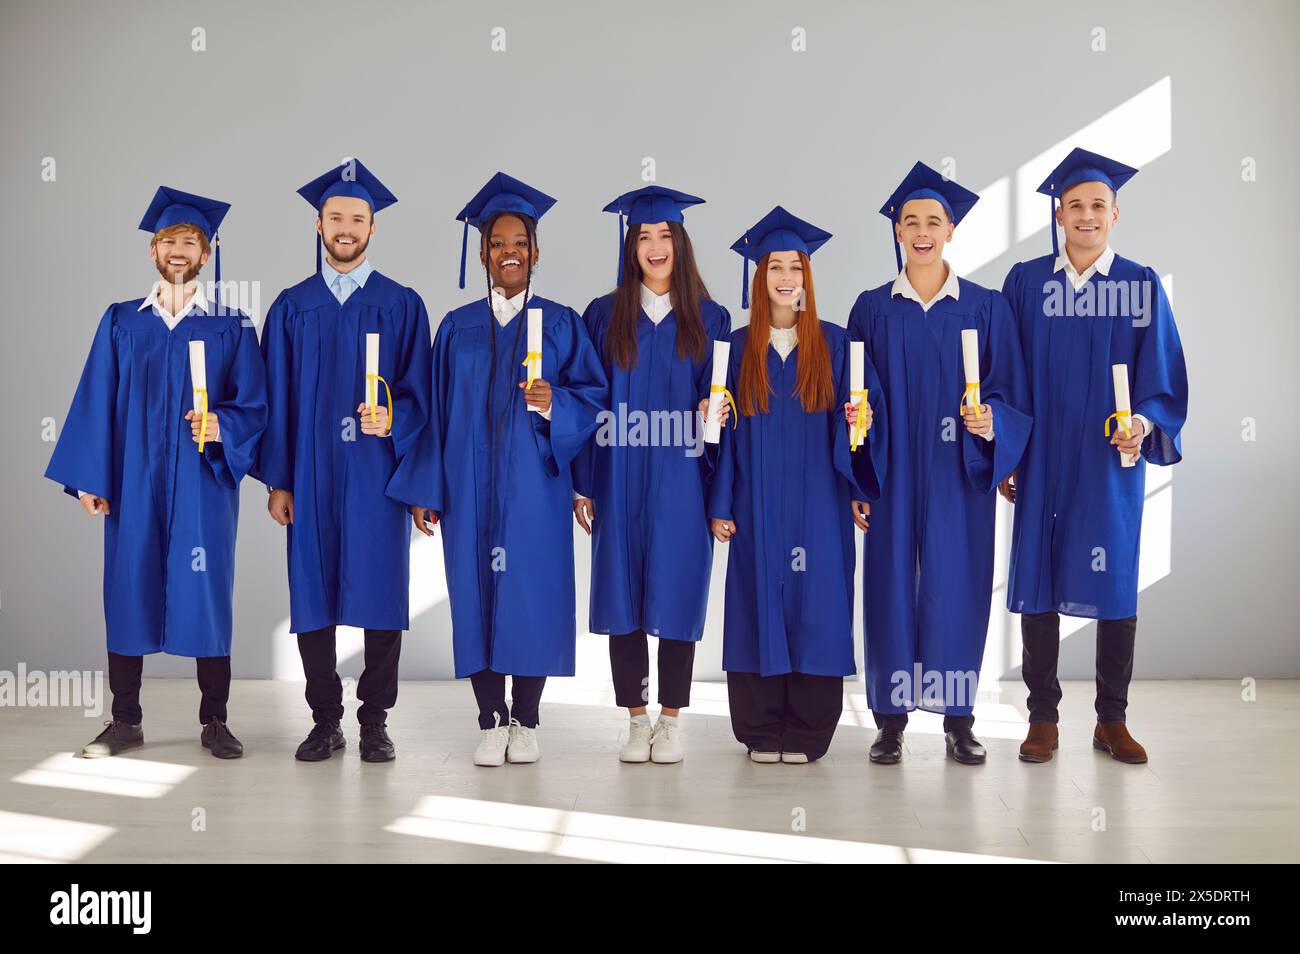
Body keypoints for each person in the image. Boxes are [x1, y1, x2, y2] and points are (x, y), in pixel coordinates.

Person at [394, 172, 608, 767]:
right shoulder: (455, 327)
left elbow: (593, 400)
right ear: (483, 253)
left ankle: (528, 718)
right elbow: (433, 414)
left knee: (532, 593)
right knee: (474, 591)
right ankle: (490, 719)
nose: (509, 251)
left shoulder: (563, 322)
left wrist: (556, 404)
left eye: (520, 241)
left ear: (536, 251)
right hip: (466, 487)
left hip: (536, 487)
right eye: (496, 243)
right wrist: (425, 491)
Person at [45, 186, 267, 759]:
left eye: (190, 241)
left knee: (208, 594)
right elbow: (96, 399)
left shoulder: (231, 324)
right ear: (153, 251)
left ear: (206, 253)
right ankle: (125, 720)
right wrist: (92, 478)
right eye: (169, 240)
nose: (178, 250)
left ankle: (214, 721)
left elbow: (255, 406)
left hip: (202, 480)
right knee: (128, 589)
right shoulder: (122, 321)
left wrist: (222, 426)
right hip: (133, 480)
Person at [1001, 148, 1188, 764]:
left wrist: (1140, 422)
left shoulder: (1139, 284)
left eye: (1098, 206)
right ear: (1058, 212)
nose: (1086, 216)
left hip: (1109, 458)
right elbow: (1006, 375)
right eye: (1075, 205)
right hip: (1044, 456)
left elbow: (1159, 377)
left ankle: (1112, 719)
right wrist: (1008, 452)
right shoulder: (1028, 283)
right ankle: (1043, 718)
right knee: (1040, 578)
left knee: (1114, 583)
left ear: (1115, 213)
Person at [848, 162, 1031, 766]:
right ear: (897, 231)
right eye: (910, 221)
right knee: (889, 587)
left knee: (958, 586)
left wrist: (992, 425)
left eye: (934, 221)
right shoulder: (872, 309)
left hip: (960, 473)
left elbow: (1008, 393)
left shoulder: (985, 307)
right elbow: (856, 395)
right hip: (892, 470)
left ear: (951, 230)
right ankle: (891, 720)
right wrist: (859, 466)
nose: (921, 231)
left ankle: (959, 719)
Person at [256, 159, 432, 763]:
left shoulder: (403, 304)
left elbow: (420, 393)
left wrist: (397, 421)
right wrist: (279, 480)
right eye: (336, 218)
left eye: (358, 218)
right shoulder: (289, 307)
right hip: (309, 472)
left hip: (377, 474)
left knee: (380, 595)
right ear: (319, 224)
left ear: (373, 227)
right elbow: (272, 399)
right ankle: (324, 719)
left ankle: (375, 720)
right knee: (313, 597)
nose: (346, 227)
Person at [709, 207, 884, 764]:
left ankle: (809, 730)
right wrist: (721, 502)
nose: (787, 278)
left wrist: (863, 427)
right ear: (758, 278)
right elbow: (722, 436)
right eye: (775, 267)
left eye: (797, 267)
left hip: (818, 503)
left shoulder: (835, 344)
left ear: (808, 278)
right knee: (757, 597)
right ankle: (760, 728)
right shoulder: (735, 348)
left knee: (818, 603)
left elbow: (858, 422)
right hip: (756, 504)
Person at [573, 185, 731, 764]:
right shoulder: (604, 315)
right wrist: (583, 480)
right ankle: (636, 719)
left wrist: (710, 417)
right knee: (624, 593)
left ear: (681, 244)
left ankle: (672, 718)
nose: (656, 245)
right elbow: (589, 402)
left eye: (666, 235)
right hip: (618, 472)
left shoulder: (711, 318)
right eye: (644, 236)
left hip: (683, 478)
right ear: (630, 246)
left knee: (678, 592)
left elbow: (722, 406)